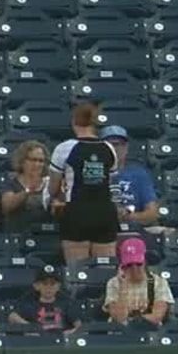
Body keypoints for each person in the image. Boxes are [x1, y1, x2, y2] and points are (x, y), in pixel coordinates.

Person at [48, 103, 120, 266]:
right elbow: (112, 184)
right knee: (105, 270)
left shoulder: (64, 148)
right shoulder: (109, 148)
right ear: (94, 123)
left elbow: (53, 186)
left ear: (74, 121)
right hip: (104, 213)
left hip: (77, 212)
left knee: (77, 271)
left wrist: (52, 200)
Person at [100, 125, 161, 230]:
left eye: (118, 144)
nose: (114, 149)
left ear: (126, 147)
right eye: (109, 145)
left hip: (134, 227)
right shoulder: (91, 173)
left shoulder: (139, 173)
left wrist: (127, 216)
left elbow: (152, 213)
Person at [0, 140, 51, 234]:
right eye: (33, 160)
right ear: (22, 161)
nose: (37, 164)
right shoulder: (11, 181)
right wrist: (28, 191)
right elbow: (7, 206)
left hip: (45, 234)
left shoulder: (50, 183)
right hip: (18, 234)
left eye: (41, 161)